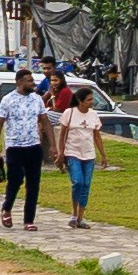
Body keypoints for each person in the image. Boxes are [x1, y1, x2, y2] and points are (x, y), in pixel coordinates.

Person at [0, 69, 47, 225]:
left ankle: (29, 220)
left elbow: (45, 121)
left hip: (34, 145)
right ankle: (7, 208)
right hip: (15, 146)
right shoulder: (8, 100)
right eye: (29, 81)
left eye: (32, 80)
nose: (33, 83)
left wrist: (53, 146)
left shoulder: (37, 100)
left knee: (33, 183)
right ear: (19, 82)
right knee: (15, 180)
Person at [60, 87, 103, 222]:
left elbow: (97, 136)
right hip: (72, 152)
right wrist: (60, 152)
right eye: (89, 100)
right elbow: (62, 135)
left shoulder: (93, 115)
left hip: (89, 155)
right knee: (78, 182)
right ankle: (74, 212)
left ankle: (80, 217)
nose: (91, 102)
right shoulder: (69, 113)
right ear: (80, 101)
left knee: (86, 185)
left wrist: (103, 154)